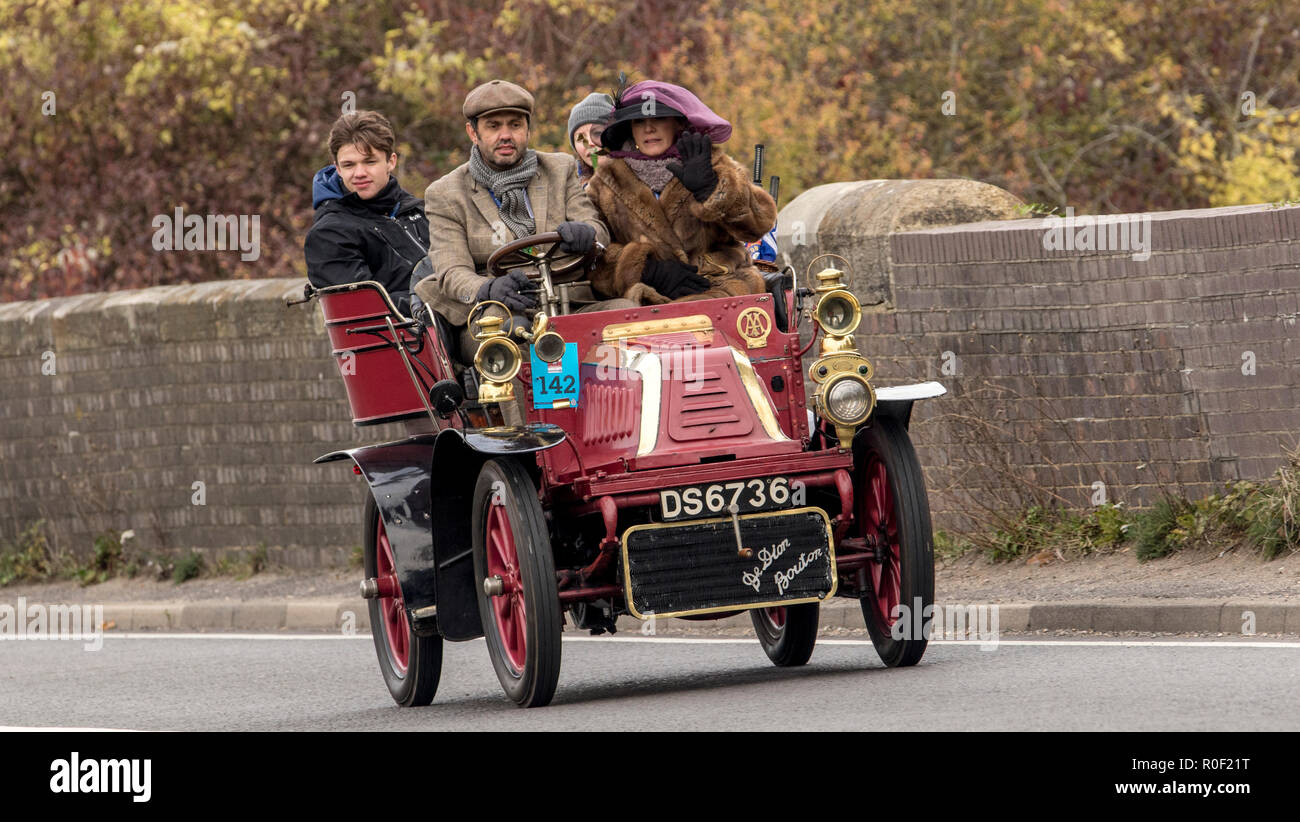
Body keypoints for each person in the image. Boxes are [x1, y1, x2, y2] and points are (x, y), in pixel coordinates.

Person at [414, 80, 634, 363]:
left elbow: (596, 228)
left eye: (515, 125)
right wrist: (487, 289)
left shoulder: (559, 168)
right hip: (498, 313)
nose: (506, 135)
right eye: (494, 126)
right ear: (473, 132)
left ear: (528, 129)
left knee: (627, 314)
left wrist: (587, 234)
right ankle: (526, 408)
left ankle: (616, 405)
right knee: (507, 334)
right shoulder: (445, 193)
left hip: (570, 302)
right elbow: (452, 271)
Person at [585, 80, 777, 305]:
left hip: (721, 288)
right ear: (629, 129)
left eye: (658, 118)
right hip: (647, 299)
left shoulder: (711, 162)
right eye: (639, 121)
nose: (649, 129)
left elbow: (759, 224)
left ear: (677, 123)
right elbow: (593, 254)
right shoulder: (606, 181)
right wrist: (646, 269)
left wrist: (712, 189)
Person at [304, 111, 429, 316]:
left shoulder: (418, 210)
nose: (359, 173)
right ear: (337, 168)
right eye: (349, 165)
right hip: (403, 343)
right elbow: (366, 309)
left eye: (370, 162)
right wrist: (440, 298)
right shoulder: (328, 235)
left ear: (391, 161)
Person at [567, 92, 614, 186]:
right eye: (580, 138)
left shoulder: (646, 177)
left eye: (597, 133)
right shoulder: (569, 191)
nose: (589, 143)